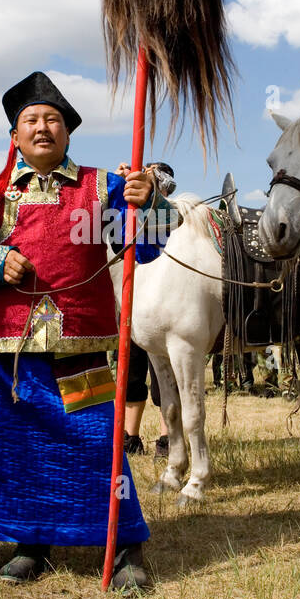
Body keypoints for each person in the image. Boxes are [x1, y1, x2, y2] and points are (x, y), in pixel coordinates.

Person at [0, 71, 171, 593]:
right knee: (18, 450)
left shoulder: (101, 187)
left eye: (53, 120)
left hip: (81, 349)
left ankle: (125, 544)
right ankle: (31, 543)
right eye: (31, 121)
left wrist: (148, 200)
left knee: (97, 448)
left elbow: (147, 245)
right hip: (8, 352)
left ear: (68, 133)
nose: (43, 128)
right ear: (14, 136)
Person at [122, 162, 176, 458]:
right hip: (133, 299)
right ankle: (131, 437)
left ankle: (167, 438)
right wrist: (121, 185)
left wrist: (151, 179)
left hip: (162, 301)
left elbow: (172, 216)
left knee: (164, 378)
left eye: (153, 170)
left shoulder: (169, 207)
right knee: (131, 373)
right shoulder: (130, 208)